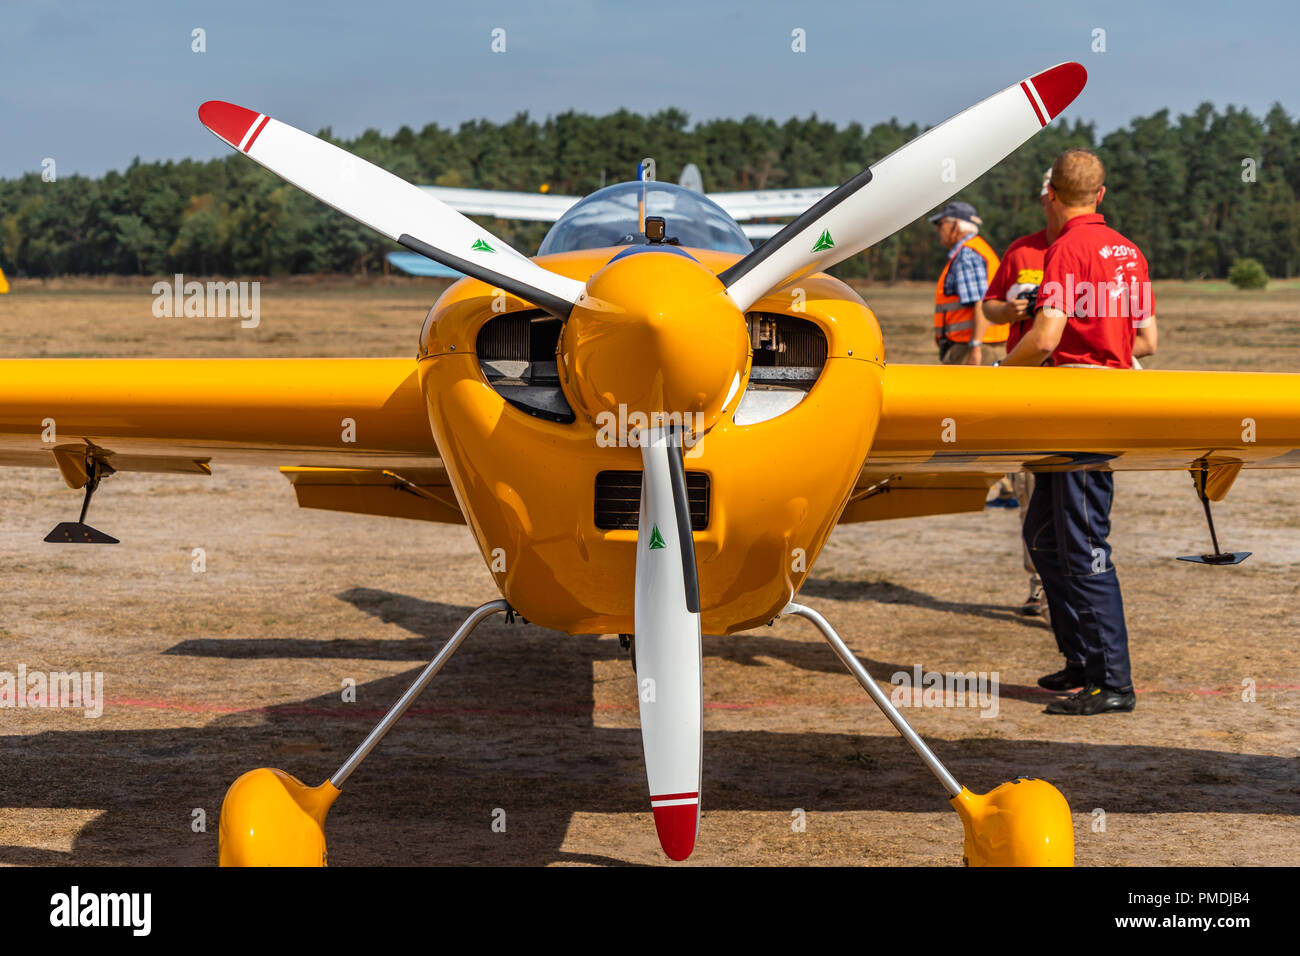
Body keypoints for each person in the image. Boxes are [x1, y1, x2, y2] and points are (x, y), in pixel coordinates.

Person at [997, 148, 1156, 716]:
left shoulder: (1065, 251)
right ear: (1101, 194)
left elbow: (1043, 338)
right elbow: (1148, 342)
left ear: (1052, 195)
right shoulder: (1129, 253)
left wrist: (998, 375)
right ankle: (1082, 660)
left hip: (1074, 409)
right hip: (1107, 400)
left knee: (1085, 545)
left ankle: (1113, 682)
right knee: (1044, 536)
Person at [983, 170, 1060, 616]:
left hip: (1069, 380)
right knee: (1030, 488)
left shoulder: (1079, 251)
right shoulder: (1020, 250)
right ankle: (1039, 582)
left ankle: (1069, 583)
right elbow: (989, 305)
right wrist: (1007, 310)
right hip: (1027, 379)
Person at [929, 201, 1008, 366]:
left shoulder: (968, 254)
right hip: (985, 344)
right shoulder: (978, 249)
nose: (937, 229)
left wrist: (975, 346)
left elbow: (981, 302)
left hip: (975, 348)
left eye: (940, 223)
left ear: (956, 225)